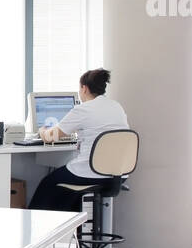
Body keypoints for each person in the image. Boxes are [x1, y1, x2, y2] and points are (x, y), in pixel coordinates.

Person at [28, 68, 128, 211]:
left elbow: (51, 137)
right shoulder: (116, 106)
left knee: (49, 182)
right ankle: (73, 228)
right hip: (119, 174)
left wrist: (42, 130)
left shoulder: (83, 109)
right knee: (68, 187)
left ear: (84, 88)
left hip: (91, 173)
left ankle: (39, 228)